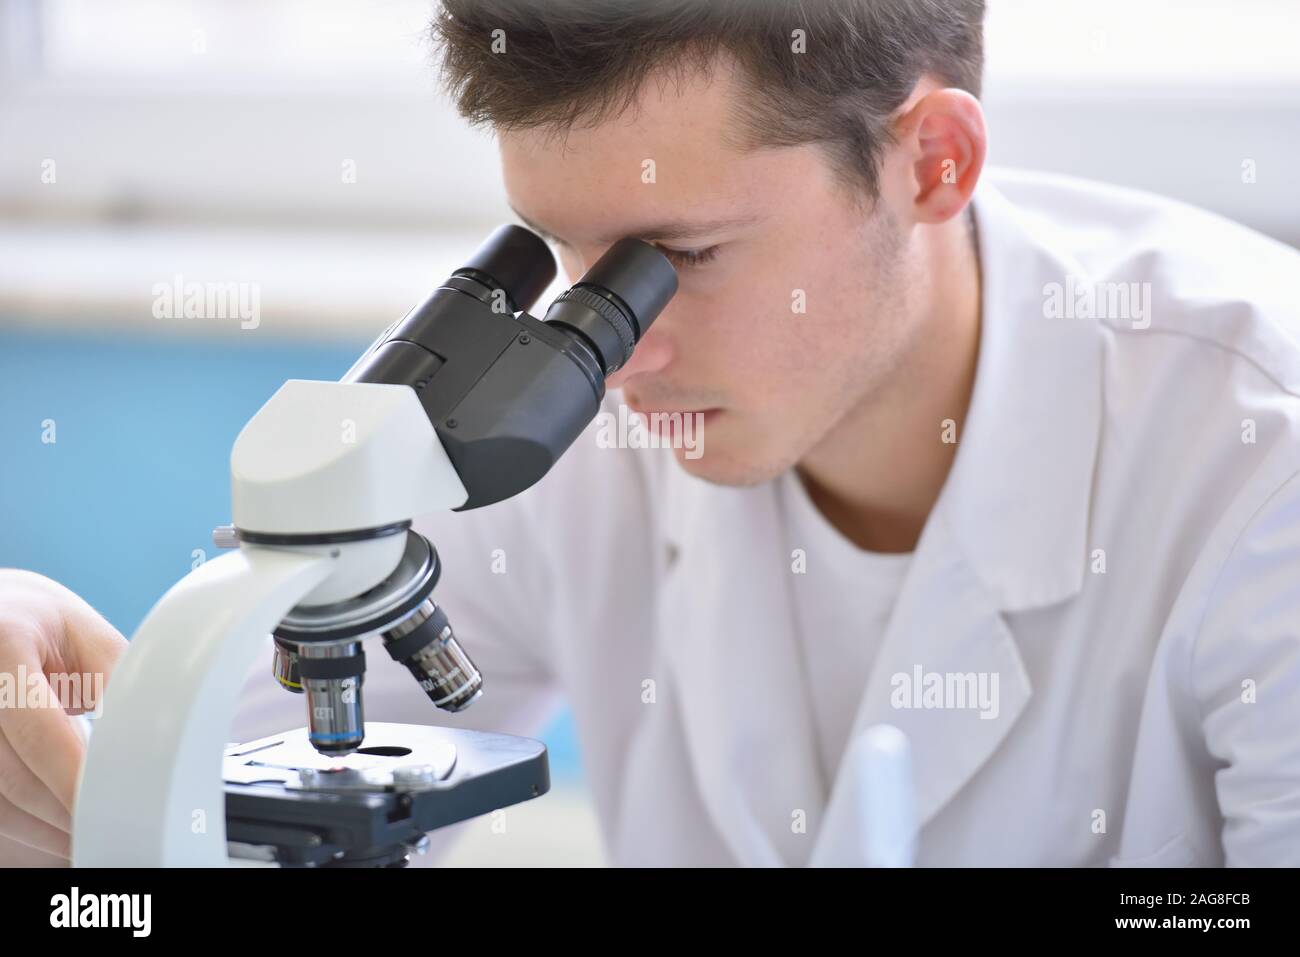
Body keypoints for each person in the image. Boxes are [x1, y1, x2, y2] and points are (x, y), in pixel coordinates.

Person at [4, 0, 1300, 867]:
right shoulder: (546, 412)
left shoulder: (1255, 454)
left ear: (933, 165)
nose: (622, 355)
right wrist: (77, 742)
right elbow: (221, 821)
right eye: (568, 266)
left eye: (676, 258)